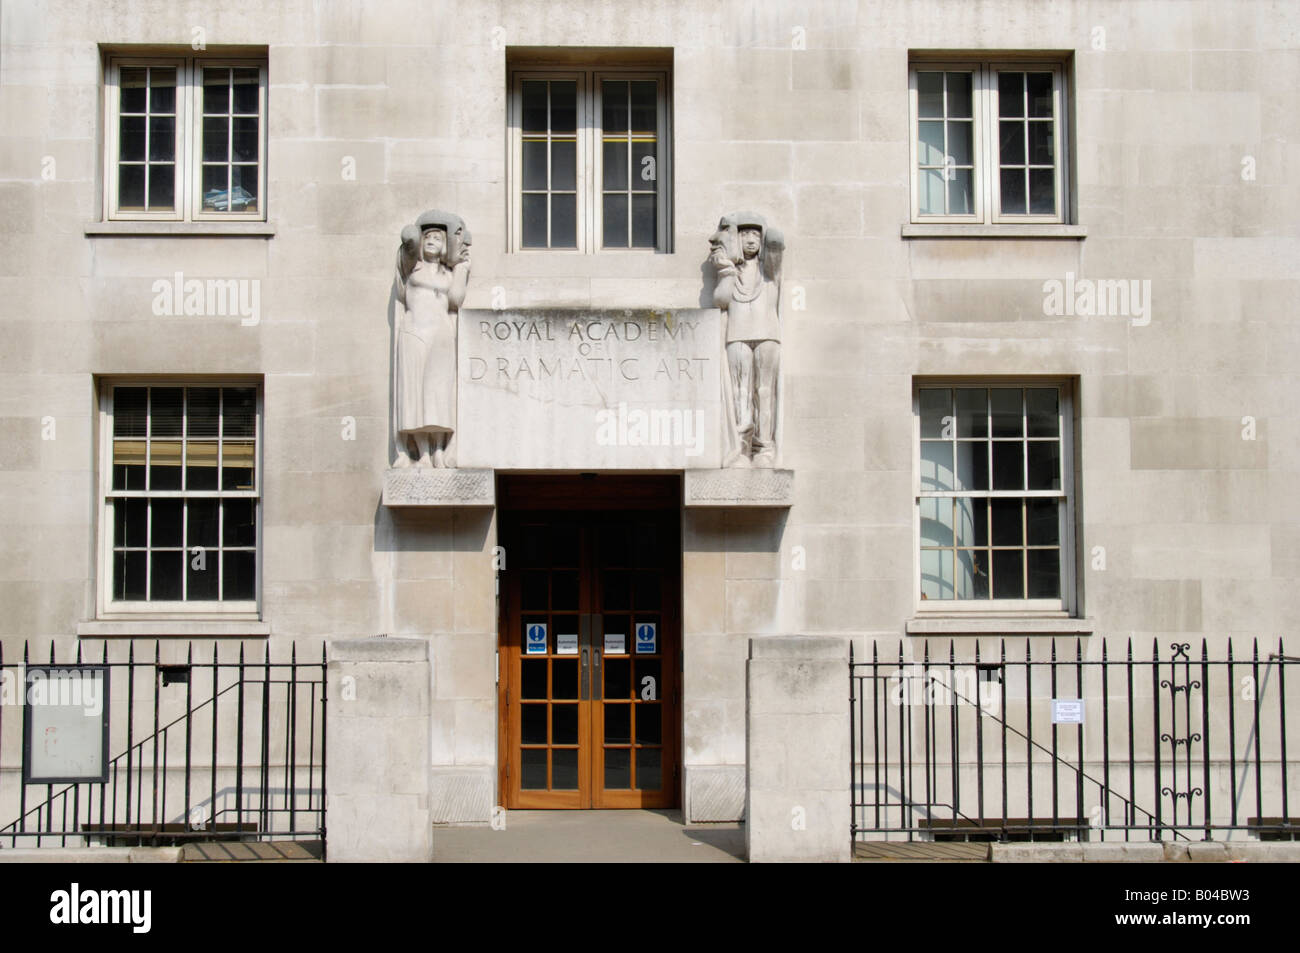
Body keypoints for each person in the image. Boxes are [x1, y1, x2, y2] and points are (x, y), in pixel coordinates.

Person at [392, 210, 471, 468]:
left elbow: (456, 300)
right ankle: (422, 453)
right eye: (428, 237)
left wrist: (462, 268)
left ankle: (438, 450)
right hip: (415, 332)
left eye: (437, 237)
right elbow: (409, 240)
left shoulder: (448, 275)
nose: (431, 241)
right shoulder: (412, 266)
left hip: (441, 334)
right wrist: (417, 234)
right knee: (415, 394)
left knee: (438, 394)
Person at [708, 212, 784, 468]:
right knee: (740, 391)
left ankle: (764, 447)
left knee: (764, 391)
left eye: (755, 234)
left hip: (767, 334)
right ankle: (741, 447)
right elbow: (720, 299)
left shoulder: (769, 269)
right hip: (737, 333)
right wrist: (726, 266)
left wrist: (728, 225)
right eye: (744, 234)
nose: (751, 240)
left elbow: (776, 241)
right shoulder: (731, 270)